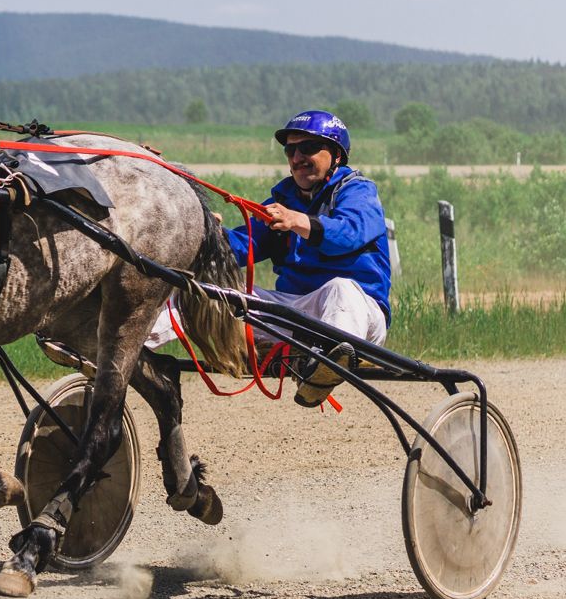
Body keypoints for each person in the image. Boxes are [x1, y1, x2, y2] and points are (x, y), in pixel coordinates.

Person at [150, 109, 393, 407]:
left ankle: (326, 364)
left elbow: (349, 233)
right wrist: (206, 233)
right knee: (196, 289)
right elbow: (239, 248)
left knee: (340, 289)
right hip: (294, 317)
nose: (297, 157)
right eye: (291, 150)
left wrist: (298, 221)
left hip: (359, 315)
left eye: (308, 148)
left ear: (337, 155)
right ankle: (123, 345)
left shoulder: (358, 191)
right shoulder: (281, 201)